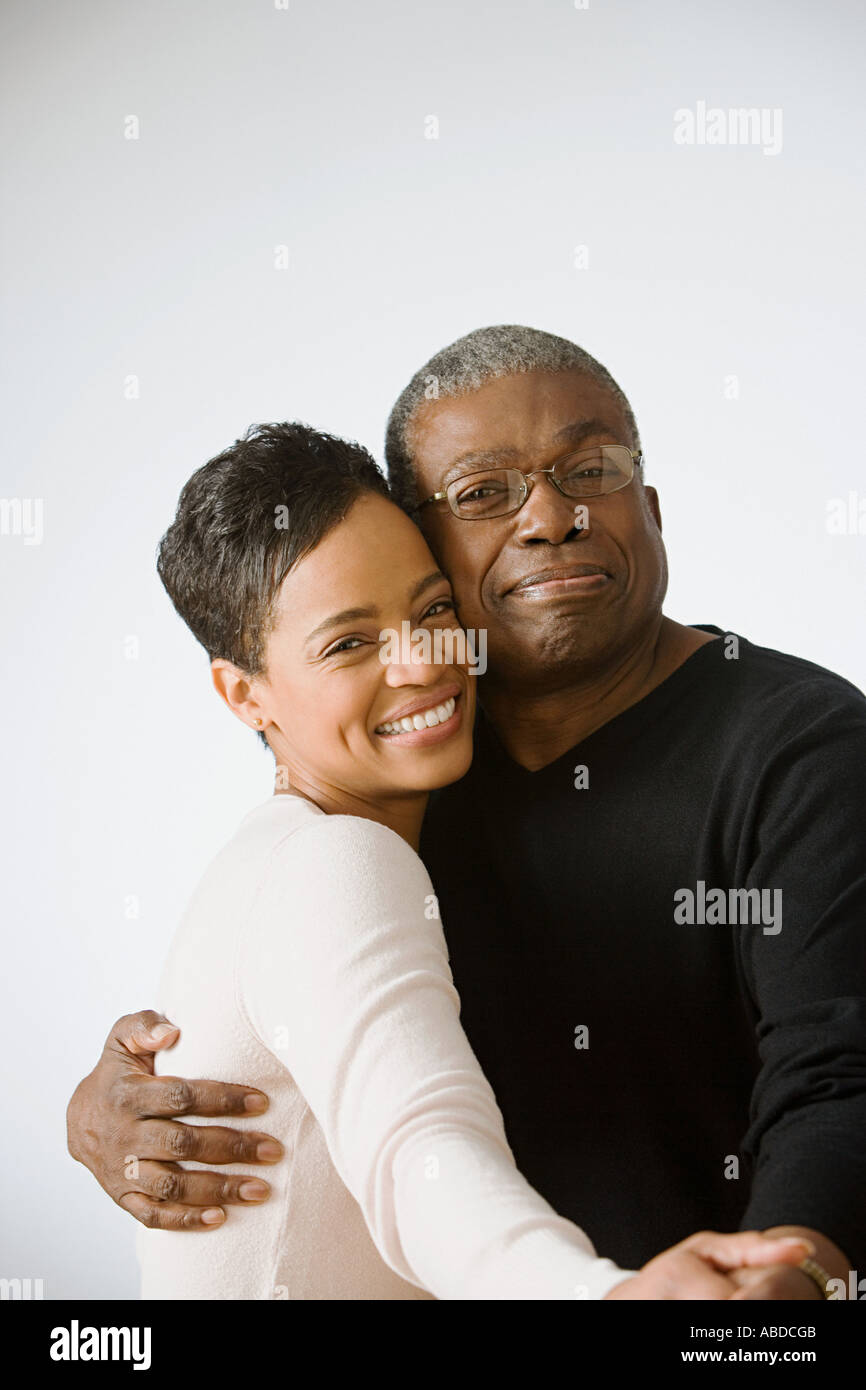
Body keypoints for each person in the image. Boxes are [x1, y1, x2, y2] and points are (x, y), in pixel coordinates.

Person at [68, 328, 866, 1300]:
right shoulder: (395, 781)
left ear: (648, 506)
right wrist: (115, 1100)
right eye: (483, 492)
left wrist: (785, 1282)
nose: (549, 517)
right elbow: (405, 1129)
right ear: (428, 543)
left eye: (590, 469)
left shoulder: (801, 746)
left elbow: (838, 1079)